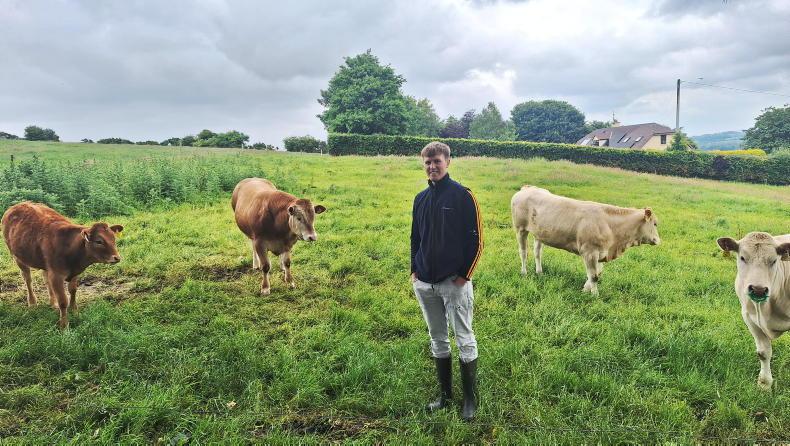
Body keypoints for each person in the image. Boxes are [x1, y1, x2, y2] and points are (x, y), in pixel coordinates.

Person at [410, 141, 483, 421]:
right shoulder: (420, 199)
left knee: (464, 338)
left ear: (448, 162)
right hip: (424, 282)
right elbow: (415, 238)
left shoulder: (463, 196)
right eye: (428, 162)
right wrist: (414, 270)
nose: (432, 166)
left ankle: (470, 400)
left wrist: (464, 275)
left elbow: (477, 240)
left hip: (454, 282)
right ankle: (444, 396)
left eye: (437, 161)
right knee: (437, 338)